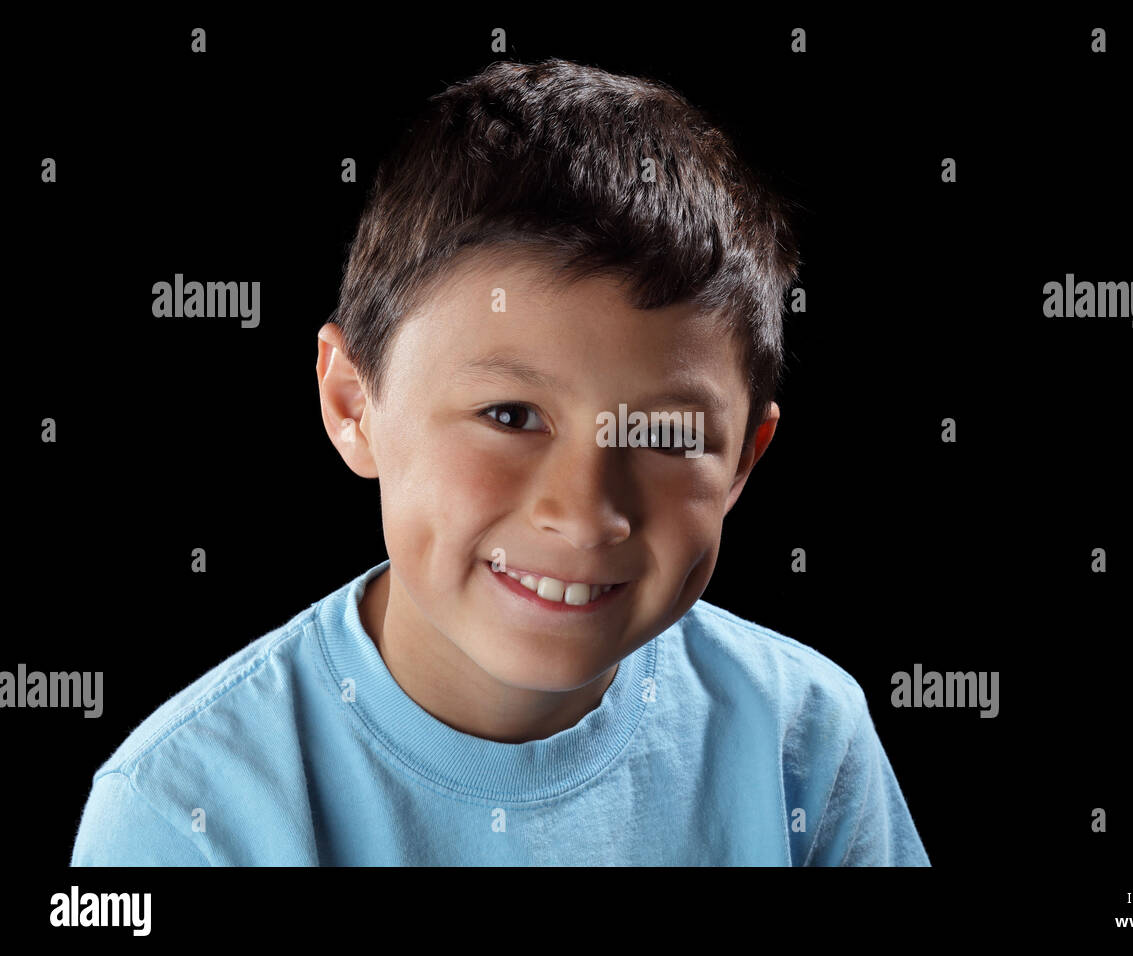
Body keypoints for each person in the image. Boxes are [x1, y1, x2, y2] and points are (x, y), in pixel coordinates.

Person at [71, 58, 929, 865]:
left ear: (743, 461)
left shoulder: (806, 742)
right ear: (352, 406)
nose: (587, 513)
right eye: (511, 415)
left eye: (665, 435)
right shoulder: (181, 813)